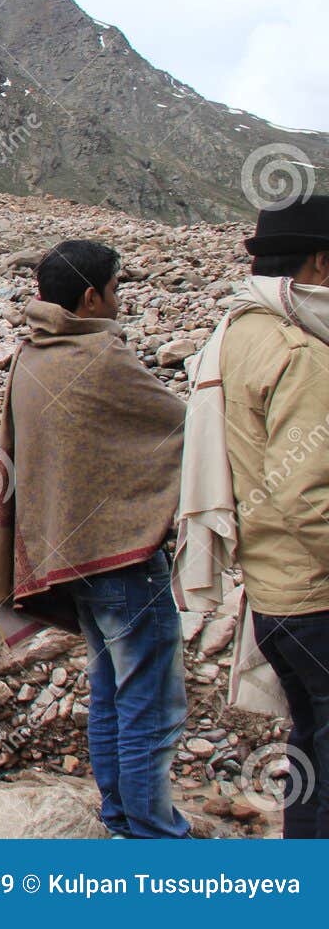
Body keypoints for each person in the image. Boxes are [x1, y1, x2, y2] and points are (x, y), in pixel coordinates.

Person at [0, 239, 190, 838]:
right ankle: (153, 834)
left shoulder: (31, 355)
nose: (120, 299)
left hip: (68, 554)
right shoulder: (102, 356)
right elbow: (181, 430)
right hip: (121, 557)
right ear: (92, 296)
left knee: (109, 688)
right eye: (116, 288)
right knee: (149, 699)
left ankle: (121, 817)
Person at [176, 194, 329, 837]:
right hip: (316, 594)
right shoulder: (303, 352)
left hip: (271, 594)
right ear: (319, 264)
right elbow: (307, 496)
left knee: (311, 745)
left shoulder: (238, 330)